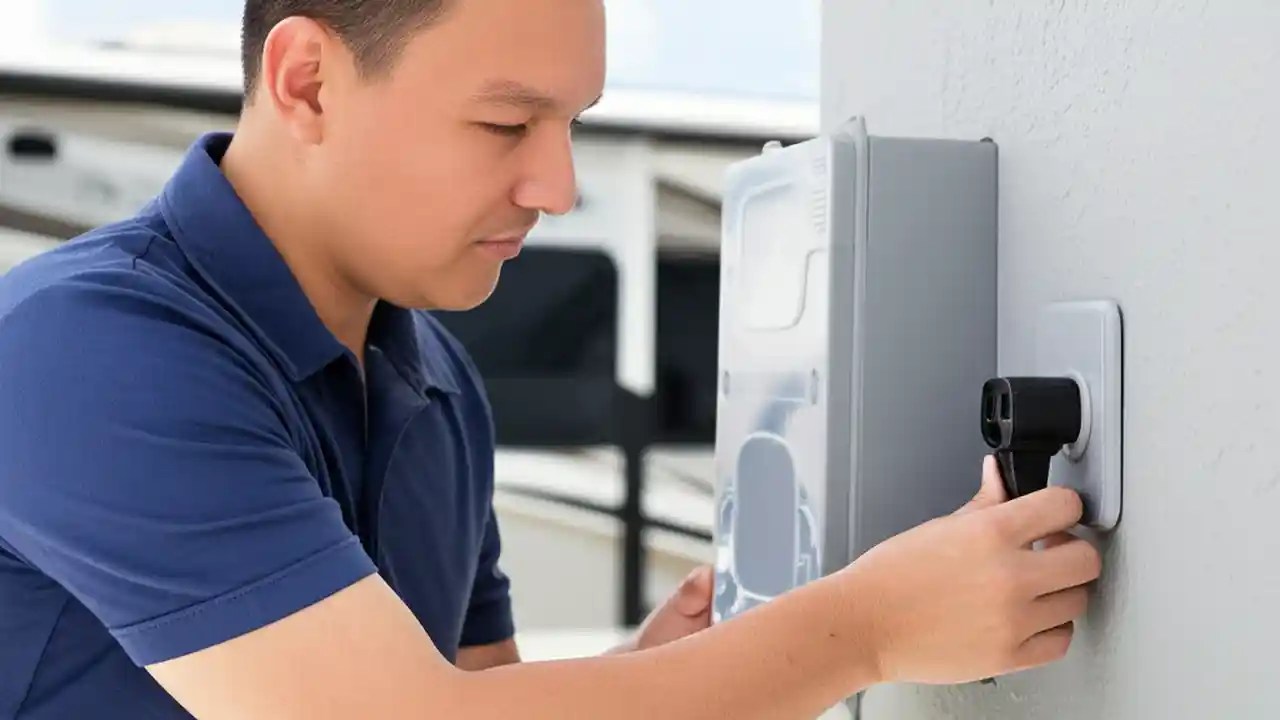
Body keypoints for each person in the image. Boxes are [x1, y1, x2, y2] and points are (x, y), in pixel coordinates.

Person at [0, 0, 1102, 717]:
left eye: (571, 124)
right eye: (505, 125)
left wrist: (657, 675)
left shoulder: (440, 384)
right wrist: (864, 631)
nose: (558, 188)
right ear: (307, 82)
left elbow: (477, 699)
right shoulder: (80, 349)